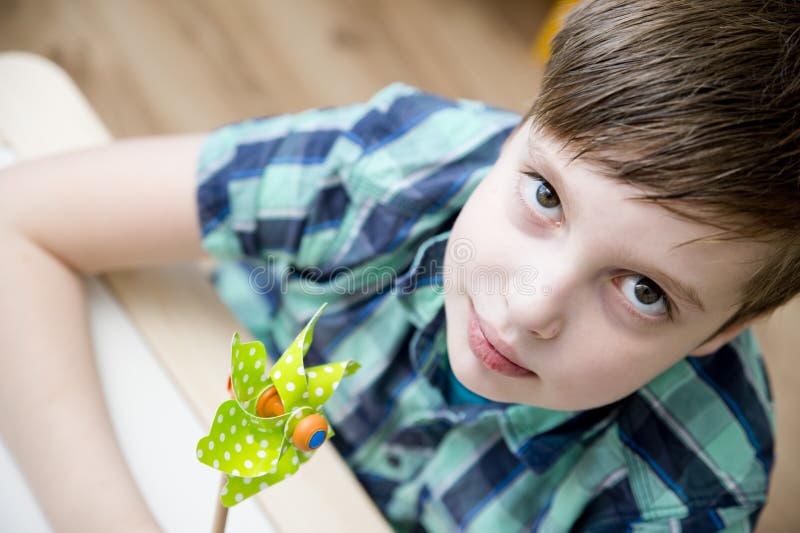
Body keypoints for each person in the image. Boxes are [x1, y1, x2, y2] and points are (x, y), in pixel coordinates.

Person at [1, 0, 797, 531]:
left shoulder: (688, 495)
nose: (524, 310)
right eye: (547, 196)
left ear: (725, 326)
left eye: (644, 290)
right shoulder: (388, 163)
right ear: (520, 124)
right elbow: (20, 218)